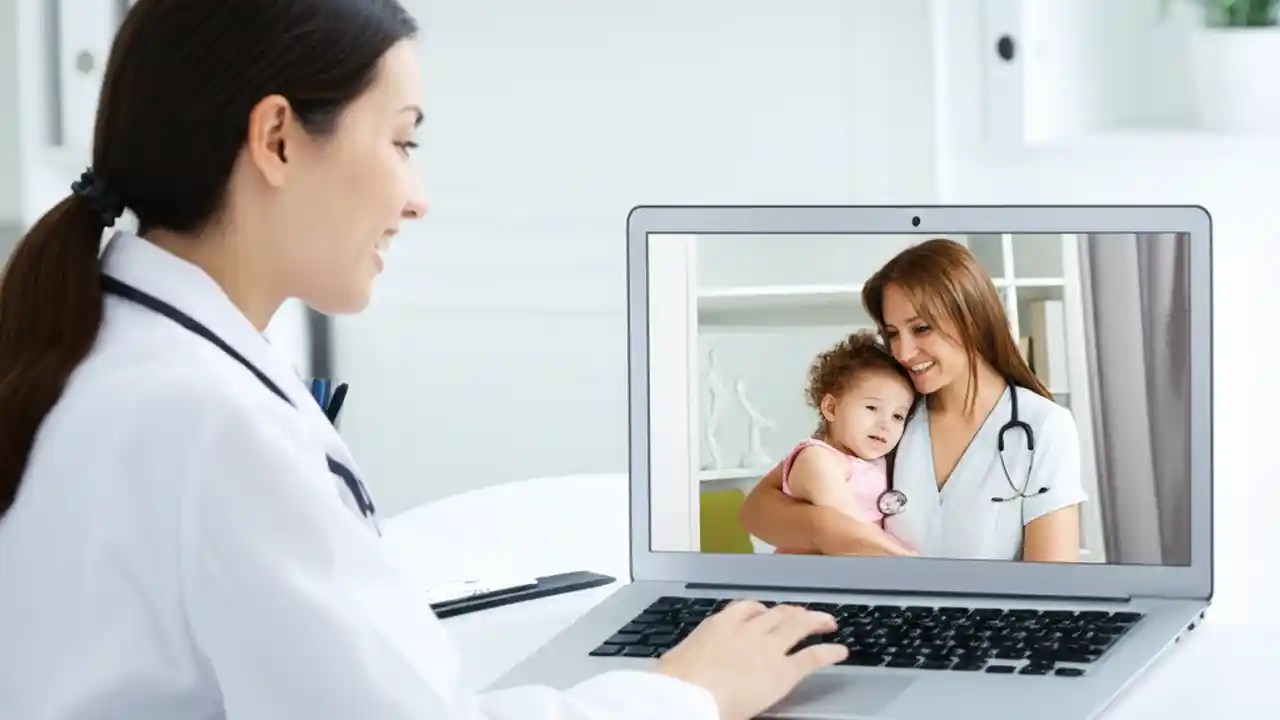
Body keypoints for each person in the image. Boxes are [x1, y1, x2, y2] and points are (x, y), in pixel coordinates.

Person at [0, 2, 846, 718]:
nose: (418, 197)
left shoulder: (107, 342)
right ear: (278, 140)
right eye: (402, 143)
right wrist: (683, 693)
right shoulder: (212, 421)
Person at [740, 239, 1086, 562]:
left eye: (921, 329)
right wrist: (828, 528)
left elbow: (1053, 588)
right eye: (892, 334)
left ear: (972, 320)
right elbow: (757, 511)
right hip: (880, 621)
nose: (903, 352)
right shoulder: (890, 412)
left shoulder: (1042, 427)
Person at [774, 330, 917, 557]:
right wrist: (907, 559)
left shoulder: (878, 463)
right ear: (831, 408)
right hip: (803, 585)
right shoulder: (816, 459)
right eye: (872, 408)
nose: (885, 425)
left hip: (847, 579)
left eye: (898, 416)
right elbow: (850, 530)